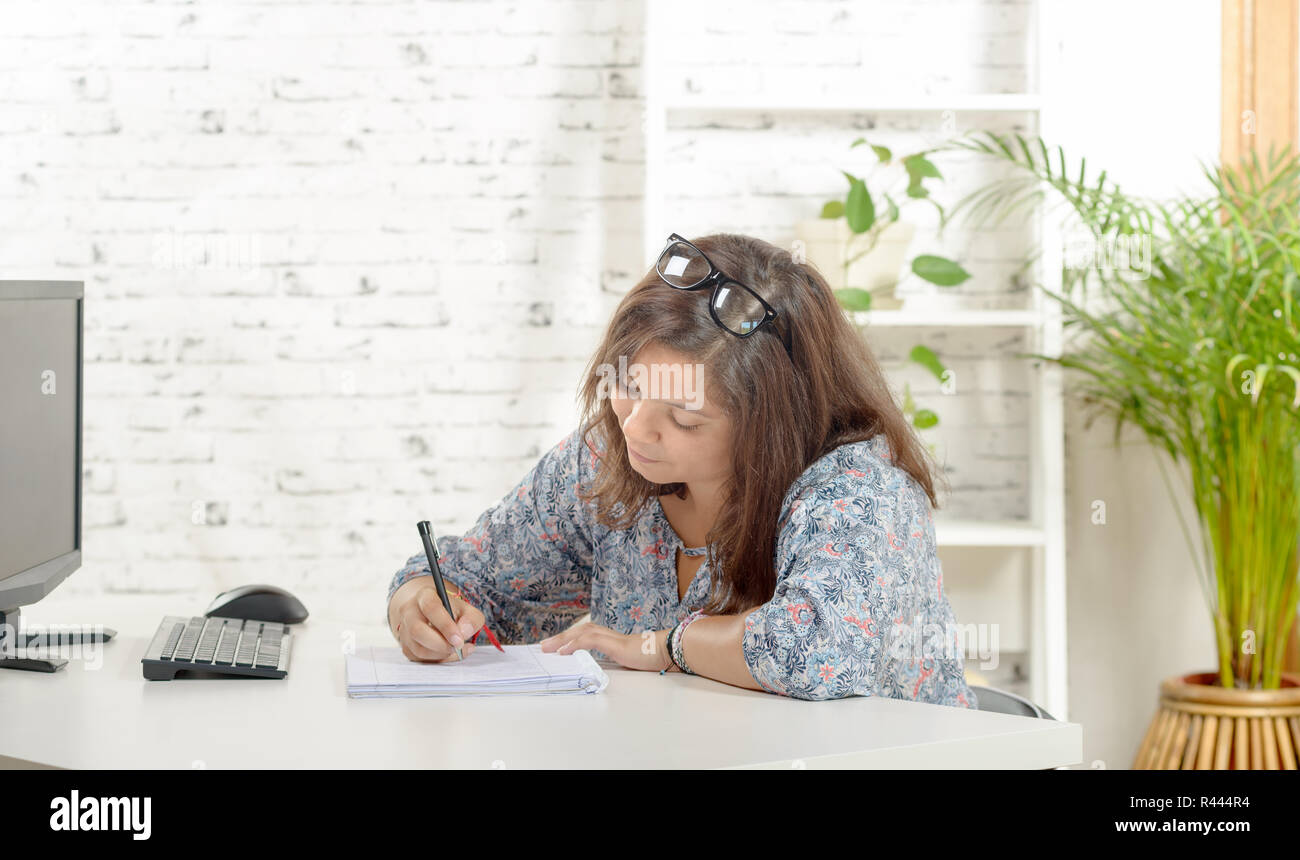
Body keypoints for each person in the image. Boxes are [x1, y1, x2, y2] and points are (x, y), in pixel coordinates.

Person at [385, 231, 978, 706]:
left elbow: (815, 650)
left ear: (772, 424)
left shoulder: (858, 491)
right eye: (628, 387)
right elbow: (479, 579)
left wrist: (659, 646)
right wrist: (424, 605)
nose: (635, 427)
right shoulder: (602, 460)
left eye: (686, 420)